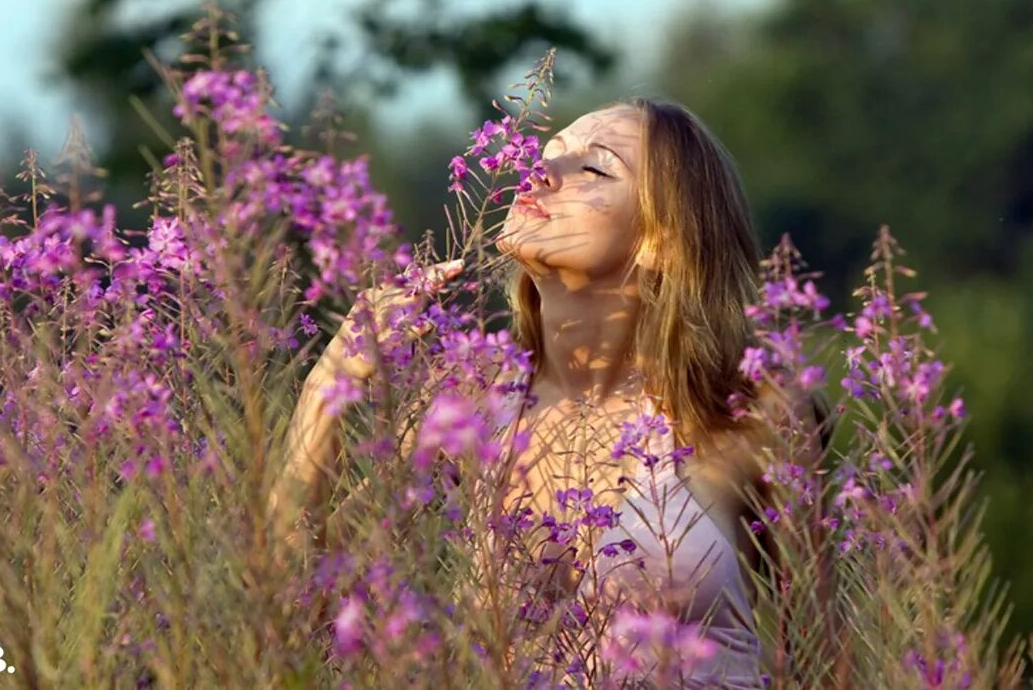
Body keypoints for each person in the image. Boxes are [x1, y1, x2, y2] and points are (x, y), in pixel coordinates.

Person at [269, 98, 832, 687]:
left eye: (594, 169)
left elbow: (825, 663)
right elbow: (300, 614)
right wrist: (323, 393)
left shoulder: (747, 414)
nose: (538, 173)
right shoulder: (470, 405)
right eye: (547, 156)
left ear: (661, 241)